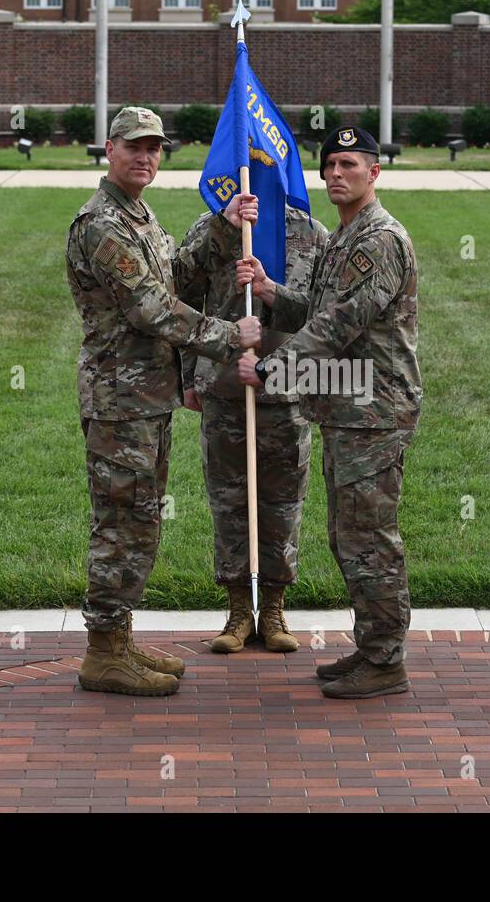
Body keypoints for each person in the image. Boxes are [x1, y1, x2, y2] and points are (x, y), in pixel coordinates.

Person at [65, 105, 261, 696]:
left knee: (141, 519)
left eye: (154, 148)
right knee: (120, 522)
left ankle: (119, 638)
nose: (146, 157)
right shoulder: (101, 224)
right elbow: (150, 308)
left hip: (145, 396)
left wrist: (224, 226)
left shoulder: (140, 217)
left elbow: (171, 276)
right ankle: (103, 650)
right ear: (109, 148)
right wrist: (229, 337)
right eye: (134, 147)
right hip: (119, 399)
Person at [235, 126, 421, 699]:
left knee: (370, 537)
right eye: (331, 165)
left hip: (374, 408)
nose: (337, 174)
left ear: (375, 172)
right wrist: (271, 292)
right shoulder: (344, 237)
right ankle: (371, 648)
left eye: (350, 164)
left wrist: (269, 368)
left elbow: (336, 327)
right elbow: (317, 308)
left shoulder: (379, 239)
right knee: (350, 535)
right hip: (348, 405)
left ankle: (386, 659)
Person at [175, 205, 329, 654]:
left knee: (282, 503)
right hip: (224, 389)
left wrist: (271, 292)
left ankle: (276, 607)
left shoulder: (309, 233)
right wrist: (188, 377)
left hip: (287, 392)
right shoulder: (210, 229)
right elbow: (183, 306)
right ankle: (239, 609)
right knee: (229, 501)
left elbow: (323, 319)